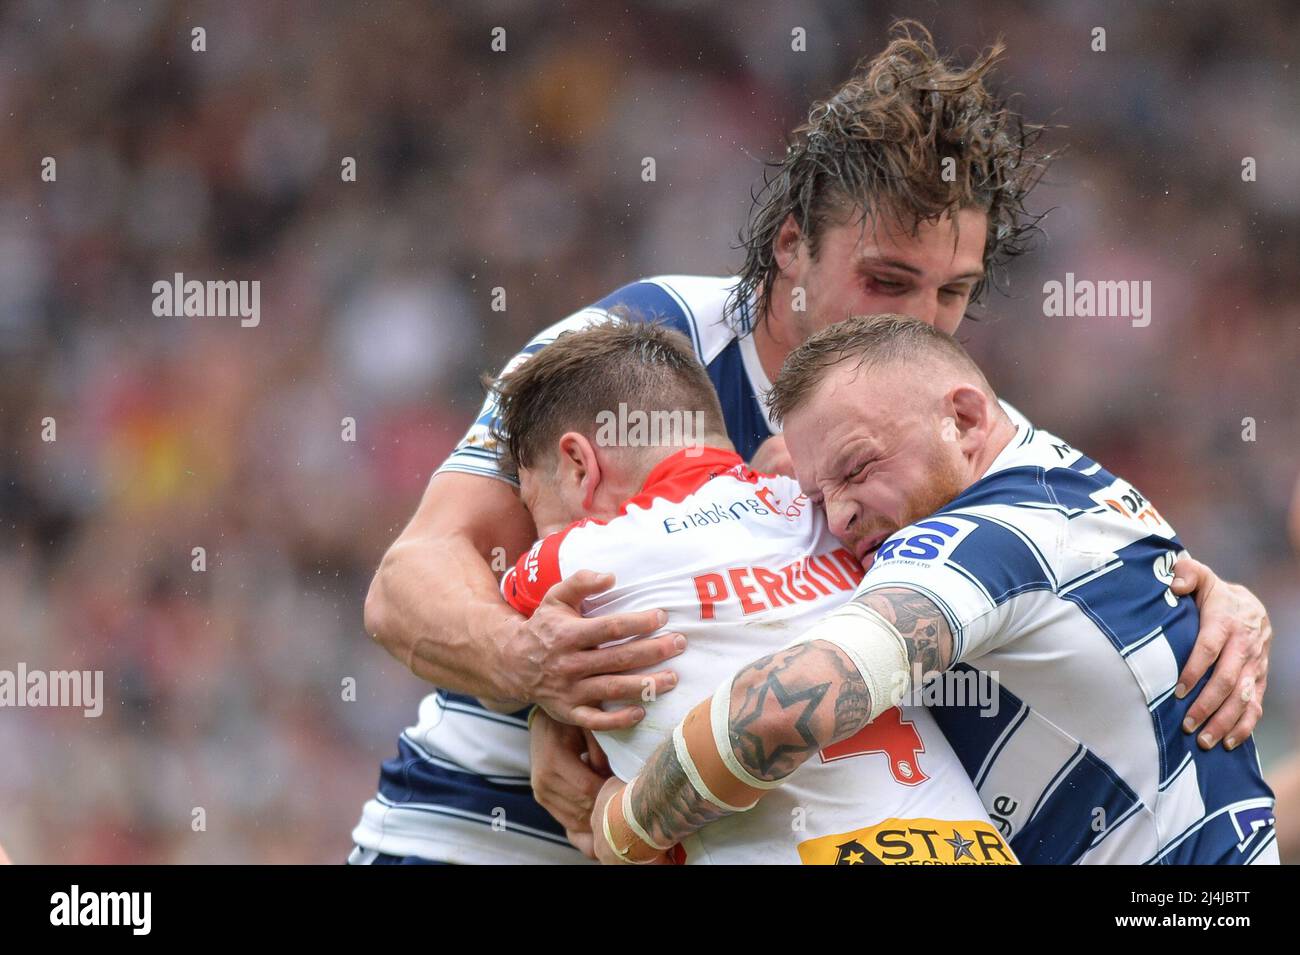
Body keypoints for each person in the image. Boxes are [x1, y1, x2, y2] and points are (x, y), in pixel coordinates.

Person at [354, 22, 1272, 864]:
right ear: (792, 245)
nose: (920, 320)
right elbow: (410, 582)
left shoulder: (932, 417)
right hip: (481, 822)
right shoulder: (652, 343)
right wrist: (538, 676)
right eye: (886, 279)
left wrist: (1211, 599)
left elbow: (1070, 555)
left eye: (951, 292)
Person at [594, 316, 1277, 865]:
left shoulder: (974, 540)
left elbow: (777, 712)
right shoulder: (1059, 474)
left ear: (968, 419)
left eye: (857, 468)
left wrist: (622, 828)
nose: (838, 517)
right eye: (818, 494)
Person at [500, 319, 1014, 864]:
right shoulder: (830, 515)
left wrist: (546, 712)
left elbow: (495, 667)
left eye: (535, 505)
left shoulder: (570, 558)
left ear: (580, 464)